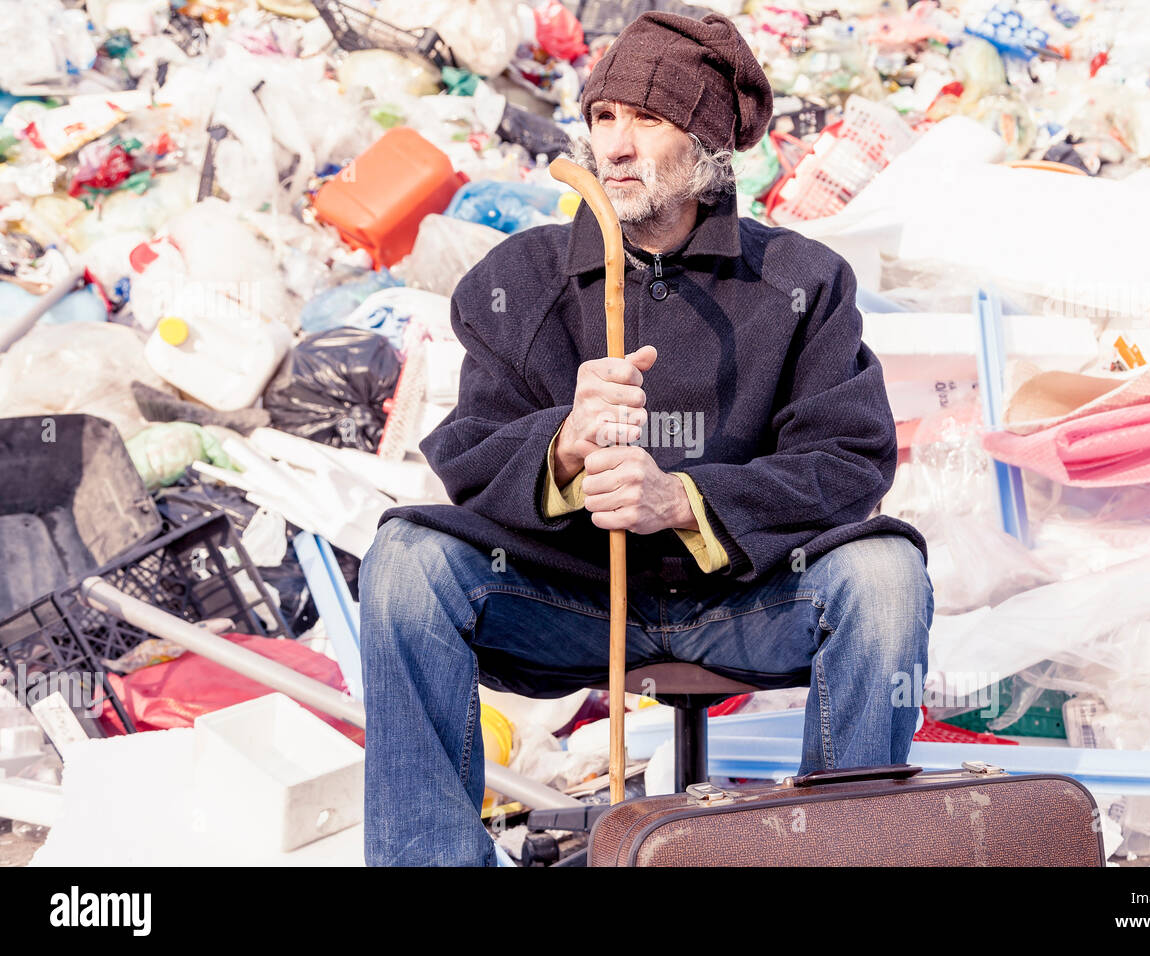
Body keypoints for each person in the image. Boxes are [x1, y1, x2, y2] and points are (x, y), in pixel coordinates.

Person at [360, 11, 933, 867]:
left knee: (886, 575)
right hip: (574, 602)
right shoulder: (515, 282)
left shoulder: (802, 280)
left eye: (648, 119)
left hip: (748, 602)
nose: (616, 146)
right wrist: (559, 448)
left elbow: (849, 463)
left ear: (705, 144)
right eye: (602, 118)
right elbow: (470, 457)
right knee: (405, 560)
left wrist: (686, 503)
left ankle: (838, 856)